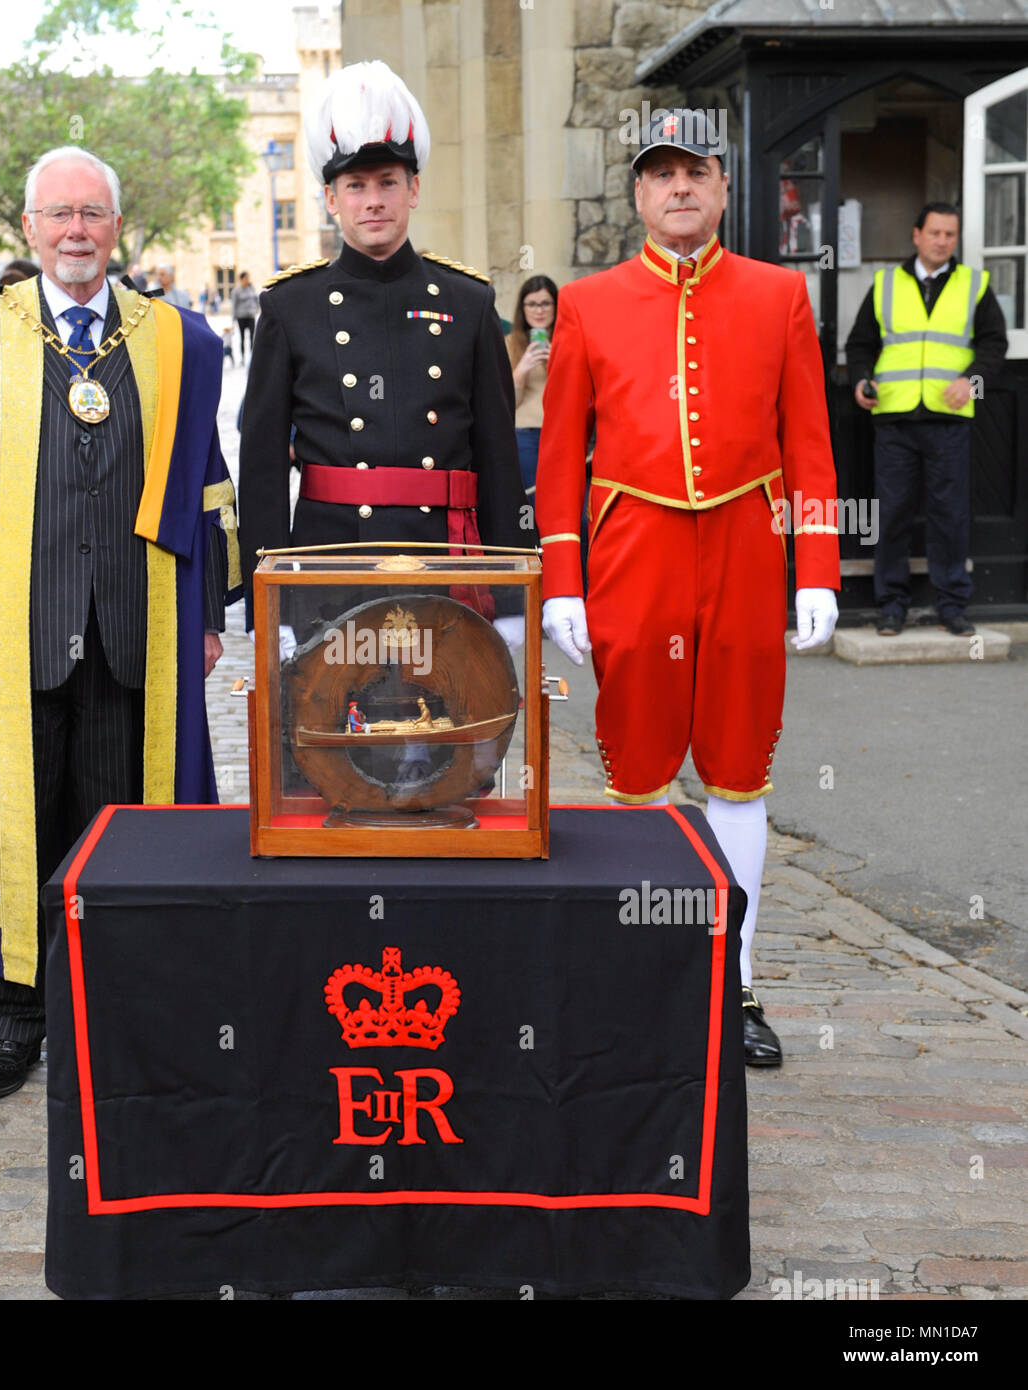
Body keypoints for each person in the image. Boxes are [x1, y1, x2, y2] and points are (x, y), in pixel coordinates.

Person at [0, 146, 240, 1100]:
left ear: (118, 229)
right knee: (19, 823)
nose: (76, 231)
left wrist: (204, 616)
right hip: (12, 629)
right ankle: (17, 1022)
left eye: (93, 214)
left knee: (122, 824)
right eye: (58, 215)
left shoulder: (179, 340)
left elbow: (203, 480)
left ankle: (124, 1015)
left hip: (137, 623)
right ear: (29, 229)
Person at [536, 108, 842, 1068]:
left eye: (695, 172)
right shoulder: (588, 303)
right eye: (661, 173)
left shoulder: (778, 293)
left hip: (750, 550)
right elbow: (558, 459)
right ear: (639, 193)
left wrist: (819, 566)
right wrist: (563, 581)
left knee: (740, 770)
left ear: (720, 186)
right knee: (637, 774)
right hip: (635, 555)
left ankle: (734, 984)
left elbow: (809, 445)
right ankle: (647, 986)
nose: (679, 188)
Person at [239, 59, 528, 654]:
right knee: (329, 739)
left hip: (447, 570)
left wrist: (513, 593)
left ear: (414, 190)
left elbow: (499, 457)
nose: (373, 201)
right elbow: (263, 466)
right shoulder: (290, 306)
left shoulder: (468, 301)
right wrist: (268, 597)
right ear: (330, 198)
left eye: (387, 183)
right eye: (355, 186)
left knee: (445, 736)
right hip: (330, 567)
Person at [845, 202, 1007, 636]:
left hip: (948, 420)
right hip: (893, 418)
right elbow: (860, 345)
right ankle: (891, 608)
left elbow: (995, 347)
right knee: (893, 514)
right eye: (935, 233)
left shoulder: (975, 285)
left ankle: (952, 606)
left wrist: (971, 382)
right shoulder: (884, 284)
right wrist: (861, 381)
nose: (942, 242)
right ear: (916, 235)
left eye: (950, 235)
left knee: (949, 515)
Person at [505, 275, 559, 497]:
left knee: (568, 505)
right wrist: (522, 369)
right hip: (525, 434)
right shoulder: (509, 343)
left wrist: (557, 361)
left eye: (545, 303)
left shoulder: (570, 340)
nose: (539, 311)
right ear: (523, 308)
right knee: (530, 499)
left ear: (556, 306)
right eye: (532, 304)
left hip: (560, 433)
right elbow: (506, 402)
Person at [231, 270, 259, 363]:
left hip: (251, 316)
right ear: (241, 279)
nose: (248, 280)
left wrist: (256, 309)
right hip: (241, 317)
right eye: (246, 278)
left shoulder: (251, 288)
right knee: (242, 337)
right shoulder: (236, 291)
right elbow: (234, 305)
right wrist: (233, 320)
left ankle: (252, 356)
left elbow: (256, 299)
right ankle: (242, 356)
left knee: (252, 336)